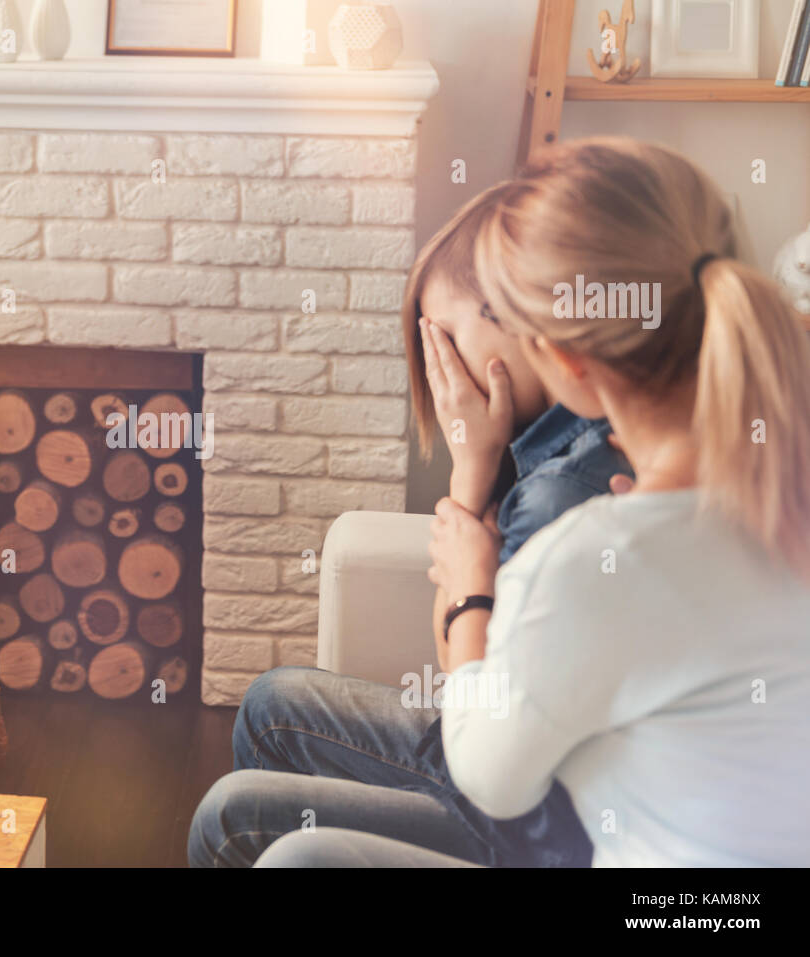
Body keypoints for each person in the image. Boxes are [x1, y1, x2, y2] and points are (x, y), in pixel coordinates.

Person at [257, 136, 810, 866]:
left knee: (280, 845)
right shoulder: (760, 490)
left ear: (561, 353)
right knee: (274, 712)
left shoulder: (586, 539)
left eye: (449, 338)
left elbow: (486, 780)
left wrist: (469, 591)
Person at [188, 180, 632, 868]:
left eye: (447, 337)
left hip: (517, 816)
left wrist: (471, 550)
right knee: (271, 701)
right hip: (500, 759)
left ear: (516, 314)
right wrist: (473, 466)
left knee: (232, 815)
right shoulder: (554, 450)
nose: (441, 368)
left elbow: (475, 729)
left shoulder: (559, 495)